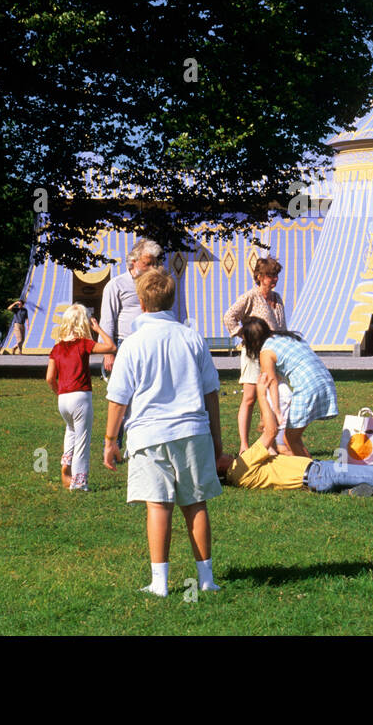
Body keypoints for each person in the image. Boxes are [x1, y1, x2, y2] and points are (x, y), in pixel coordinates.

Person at [103, 268, 222, 597]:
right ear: (173, 300)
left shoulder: (133, 343)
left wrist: (111, 441)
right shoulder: (192, 338)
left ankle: (159, 582)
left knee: (158, 506)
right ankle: (207, 579)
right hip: (193, 430)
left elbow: (118, 399)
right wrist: (217, 439)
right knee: (196, 504)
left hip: (148, 434)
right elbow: (211, 392)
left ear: (140, 302)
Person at [217, 429, 373, 498]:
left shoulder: (240, 474)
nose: (225, 452)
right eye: (219, 456)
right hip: (318, 474)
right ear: (219, 466)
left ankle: (353, 493)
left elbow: (274, 447)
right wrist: (266, 387)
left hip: (316, 477)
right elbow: (271, 432)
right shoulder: (241, 465)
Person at [241, 317, 338, 458]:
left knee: (290, 439)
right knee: (291, 437)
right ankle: (310, 470)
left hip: (308, 387)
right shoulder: (287, 337)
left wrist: (278, 412)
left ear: (253, 340)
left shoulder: (266, 351)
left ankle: (313, 474)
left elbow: (272, 383)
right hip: (325, 380)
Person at [45, 303, 115, 491]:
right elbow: (111, 346)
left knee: (71, 430)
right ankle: (79, 482)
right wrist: (98, 328)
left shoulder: (57, 348)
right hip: (81, 396)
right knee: (83, 439)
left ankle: (65, 462)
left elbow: (49, 378)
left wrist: (58, 391)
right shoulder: (84, 344)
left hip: (63, 398)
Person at [222, 256, 287, 454]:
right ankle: (244, 444)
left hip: (273, 353)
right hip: (253, 353)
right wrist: (244, 335)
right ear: (259, 276)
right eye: (269, 275)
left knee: (272, 397)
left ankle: (271, 442)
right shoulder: (251, 296)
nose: (273, 279)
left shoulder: (277, 298)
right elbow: (229, 316)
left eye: (276, 275)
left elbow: (282, 326)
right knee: (250, 398)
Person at [101, 238, 164, 375]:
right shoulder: (116, 285)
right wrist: (108, 352)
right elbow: (107, 320)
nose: (152, 268)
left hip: (152, 342)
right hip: (125, 343)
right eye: (147, 264)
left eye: (154, 264)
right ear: (133, 262)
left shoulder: (157, 284)